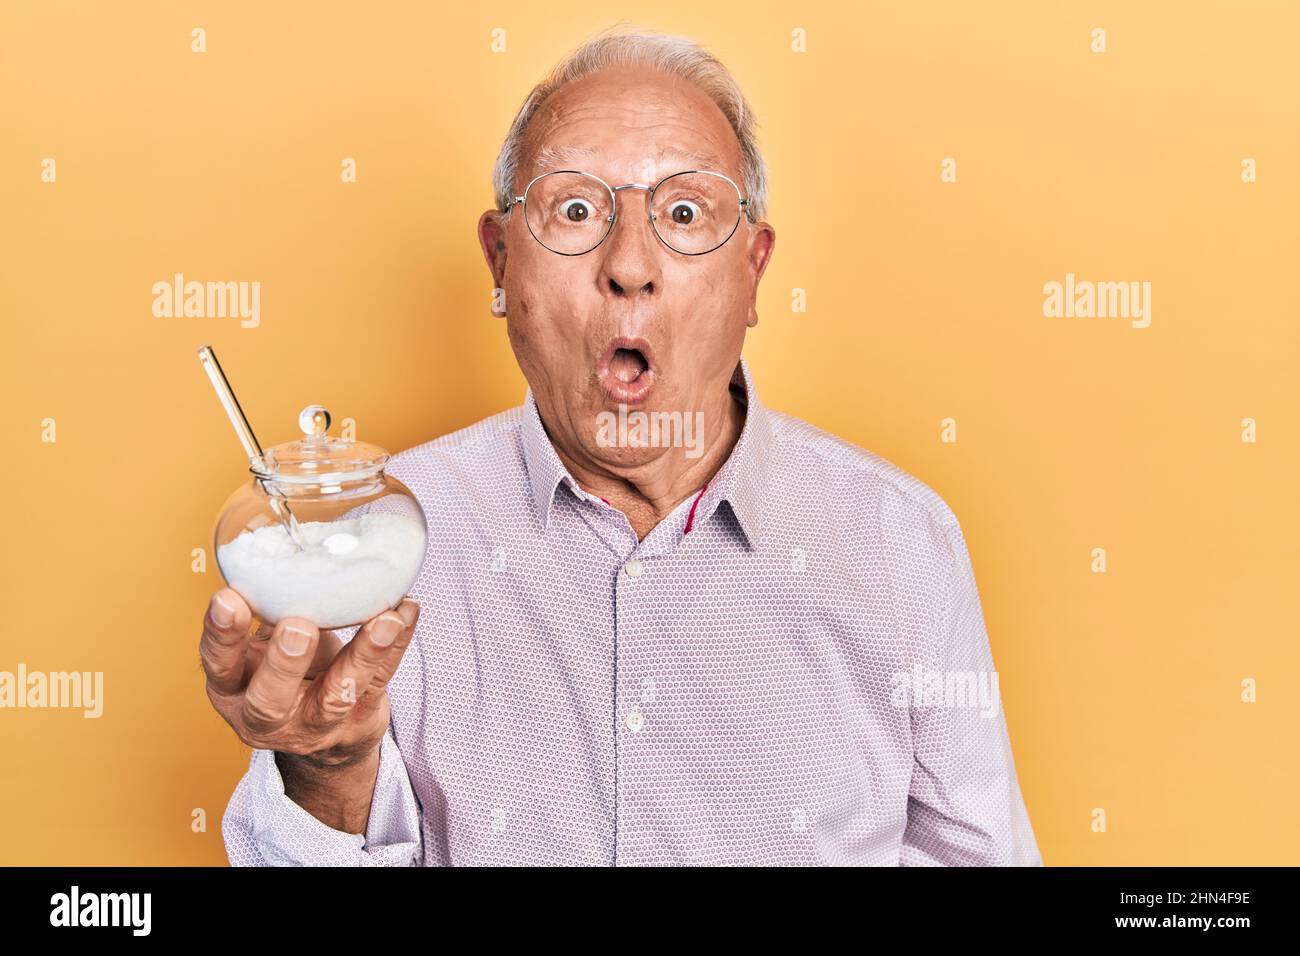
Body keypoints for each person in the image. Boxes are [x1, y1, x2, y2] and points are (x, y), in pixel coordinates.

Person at [204, 29, 1042, 866]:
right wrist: (327, 771)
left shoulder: (901, 543)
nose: (631, 264)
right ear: (500, 265)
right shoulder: (378, 545)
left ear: (752, 272)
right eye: (575, 210)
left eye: (684, 213)